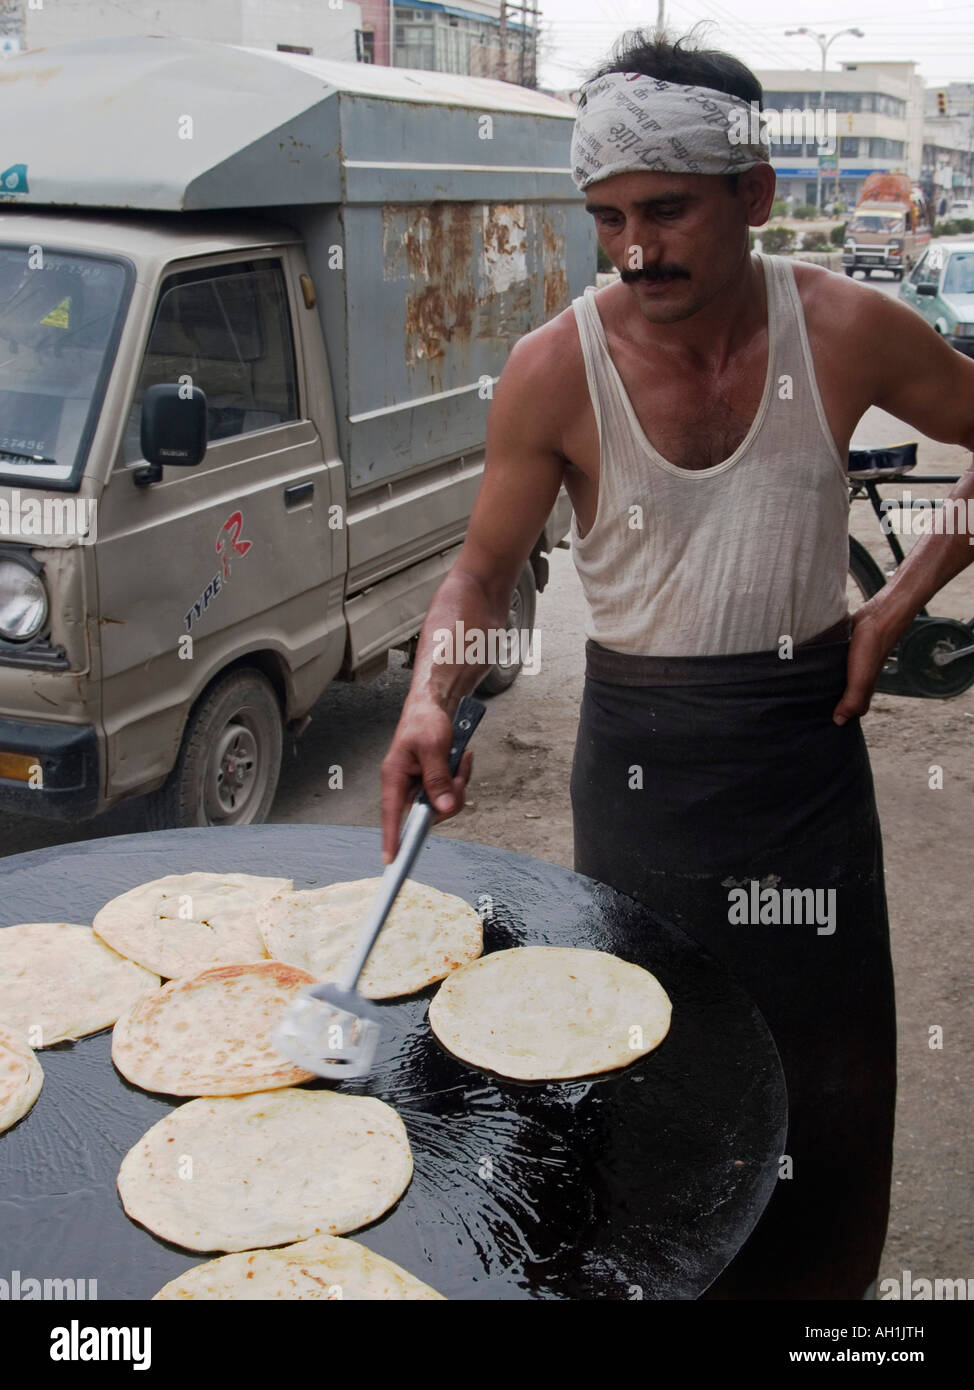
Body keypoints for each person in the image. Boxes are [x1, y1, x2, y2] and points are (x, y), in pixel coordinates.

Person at [379, 27, 974, 1298]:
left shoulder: (849, 331)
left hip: (804, 766)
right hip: (642, 775)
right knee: (652, 1086)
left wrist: (896, 607)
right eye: (605, 218)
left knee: (832, 1091)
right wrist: (433, 692)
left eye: (664, 209)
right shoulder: (554, 371)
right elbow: (480, 576)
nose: (633, 247)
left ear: (752, 198)